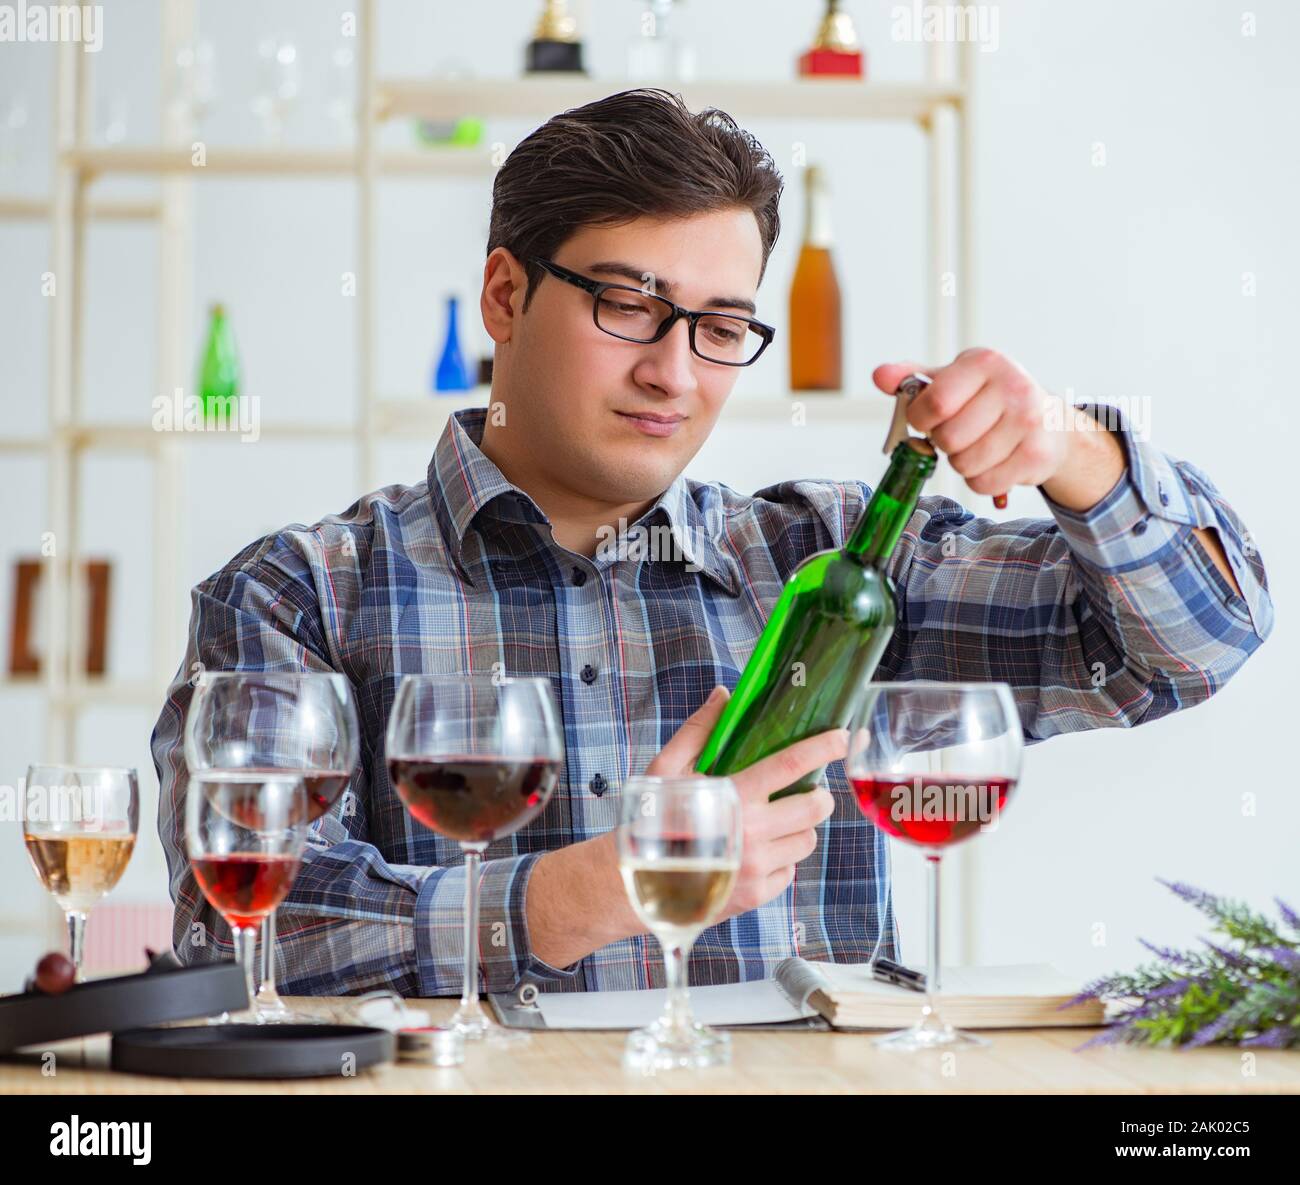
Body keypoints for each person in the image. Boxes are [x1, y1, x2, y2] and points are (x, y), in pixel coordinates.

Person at [152, 89, 1272, 997]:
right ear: (504, 294)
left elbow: (1188, 646)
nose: (673, 373)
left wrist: (1072, 450)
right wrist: (596, 889)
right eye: (629, 306)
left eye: (721, 326)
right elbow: (247, 927)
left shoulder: (835, 569)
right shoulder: (298, 594)